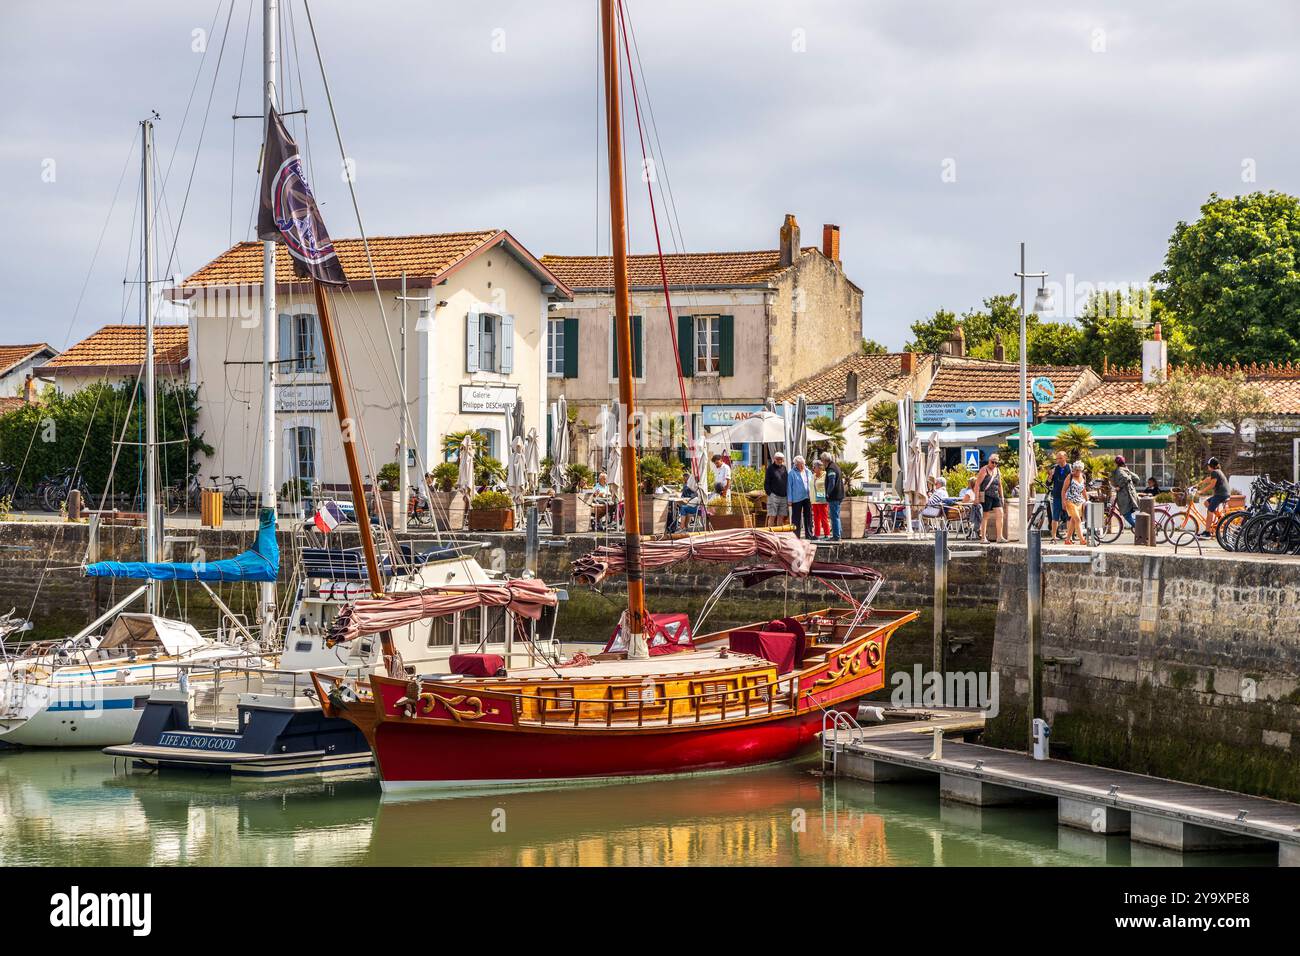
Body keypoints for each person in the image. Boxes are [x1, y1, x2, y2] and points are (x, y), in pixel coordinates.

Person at [1197, 456, 1230, 537]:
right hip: (1223, 494)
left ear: (1211, 465)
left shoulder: (1215, 472)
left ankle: (1207, 532)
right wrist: (1198, 484)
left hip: (1220, 495)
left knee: (1210, 511)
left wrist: (1201, 491)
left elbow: (1212, 484)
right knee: (1206, 503)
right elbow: (1208, 479)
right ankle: (1220, 517)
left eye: (1208, 465)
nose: (1207, 466)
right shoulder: (1217, 471)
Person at [976, 453, 1006, 543]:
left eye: (996, 463)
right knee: (985, 516)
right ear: (989, 461)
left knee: (1000, 514)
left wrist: (1002, 497)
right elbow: (977, 484)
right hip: (986, 495)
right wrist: (976, 498)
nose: (994, 464)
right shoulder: (984, 470)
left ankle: (999, 537)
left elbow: (1000, 484)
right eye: (992, 462)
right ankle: (983, 538)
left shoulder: (997, 470)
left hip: (995, 495)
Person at [1110, 455, 1140, 532]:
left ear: (1116, 463)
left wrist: (1119, 487)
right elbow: (1137, 479)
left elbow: (1126, 478)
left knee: (1126, 514)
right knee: (1128, 514)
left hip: (1125, 496)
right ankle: (1140, 526)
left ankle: (1141, 528)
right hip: (1130, 495)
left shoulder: (1119, 471)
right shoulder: (1125, 470)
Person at [820, 452, 845, 541]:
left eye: (822, 461)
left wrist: (827, 493)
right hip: (839, 495)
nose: (822, 463)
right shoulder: (835, 466)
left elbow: (831, 482)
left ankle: (836, 536)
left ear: (824, 460)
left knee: (834, 517)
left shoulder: (831, 469)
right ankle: (838, 534)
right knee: (836, 516)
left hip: (834, 496)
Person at [787, 455, 813, 538]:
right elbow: (789, 487)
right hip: (796, 498)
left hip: (807, 497)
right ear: (796, 464)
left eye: (803, 464)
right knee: (796, 517)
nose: (802, 466)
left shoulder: (808, 472)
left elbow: (812, 484)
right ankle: (795, 535)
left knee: (808, 517)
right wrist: (789, 499)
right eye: (800, 464)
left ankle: (809, 534)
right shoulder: (791, 473)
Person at [1062, 460, 1087, 545]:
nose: (1075, 471)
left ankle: (1067, 540)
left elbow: (1083, 490)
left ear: (1081, 470)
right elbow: (1063, 490)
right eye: (1075, 469)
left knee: (1073, 521)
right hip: (1070, 501)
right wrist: (1063, 501)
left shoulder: (1082, 477)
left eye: (1078, 470)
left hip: (1079, 502)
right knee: (1078, 519)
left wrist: (1087, 500)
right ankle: (1082, 540)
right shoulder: (1070, 476)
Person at [1048, 450, 1071, 538]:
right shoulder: (1055, 468)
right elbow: (1048, 483)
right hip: (1057, 495)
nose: (1058, 460)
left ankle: (1068, 538)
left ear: (1065, 458)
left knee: (1069, 516)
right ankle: (1053, 537)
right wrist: (1050, 476)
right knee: (1055, 516)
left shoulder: (1070, 468)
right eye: (1057, 458)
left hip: (1067, 496)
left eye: (1060, 458)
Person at [764, 452, 789, 527]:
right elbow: (766, 483)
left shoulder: (784, 468)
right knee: (772, 516)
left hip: (783, 496)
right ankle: (770, 534)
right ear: (774, 459)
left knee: (781, 516)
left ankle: (779, 534)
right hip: (773, 495)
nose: (779, 460)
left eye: (781, 459)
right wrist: (770, 494)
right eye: (777, 459)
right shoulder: (770, 468)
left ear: (783, 460)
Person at [811, 461, 830, 539]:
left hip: (822, 499)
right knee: (816, 518)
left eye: (814, 467)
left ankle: (827, 534)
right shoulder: (813, 476)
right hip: (814, 499)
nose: (813, 468)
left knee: (824, 517)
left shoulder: (825, 475)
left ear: (819, 468)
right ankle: (817, 534)